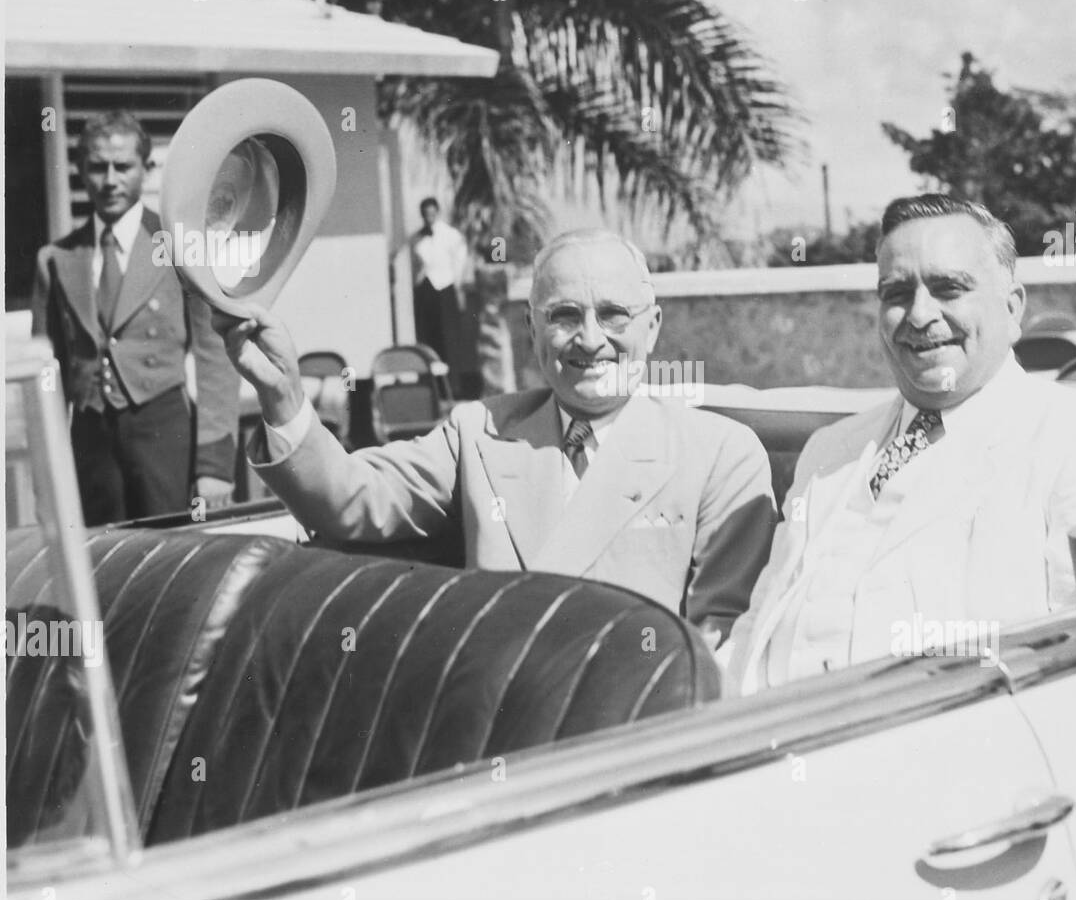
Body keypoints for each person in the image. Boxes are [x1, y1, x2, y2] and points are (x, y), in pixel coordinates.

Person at [217, 228, 777, 645]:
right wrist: (284, 394)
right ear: (532, 330)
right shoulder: (480, 432)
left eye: (612, 315)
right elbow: (348, 499)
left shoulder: (719, 455)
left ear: (652, 328)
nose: (589, 339)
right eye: (564, 315)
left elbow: (718, 643)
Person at [722, 194, 1076, 693]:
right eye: (896, 293)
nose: (919, 315)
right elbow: (759, 625)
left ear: (1012, 306)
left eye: (948, 288)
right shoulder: (829, 451)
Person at [31, 111, 239, 525]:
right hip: (91, 442)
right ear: (79, 169)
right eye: (97, 166)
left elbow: (216, 353)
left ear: (145, 170)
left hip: (163, 431)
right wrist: (48, 469)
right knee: (104, 563)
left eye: (122, 166)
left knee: (170, 560)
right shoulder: (57, 260)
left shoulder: (179, 245)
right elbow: (46, 376)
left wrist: (214, 465)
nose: (109, 180)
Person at [401, 197, 475, 395]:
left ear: (437, 213)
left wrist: (456, 287)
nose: (429, 218)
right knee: (428, 339)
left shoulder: (451, 235)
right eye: (425, 214)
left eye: (432, 214)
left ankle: (454, 387)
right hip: (426, 291)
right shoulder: (417, 238)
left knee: (449, 339)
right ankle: (433, 388)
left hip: (445, 289)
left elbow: (460, 262)